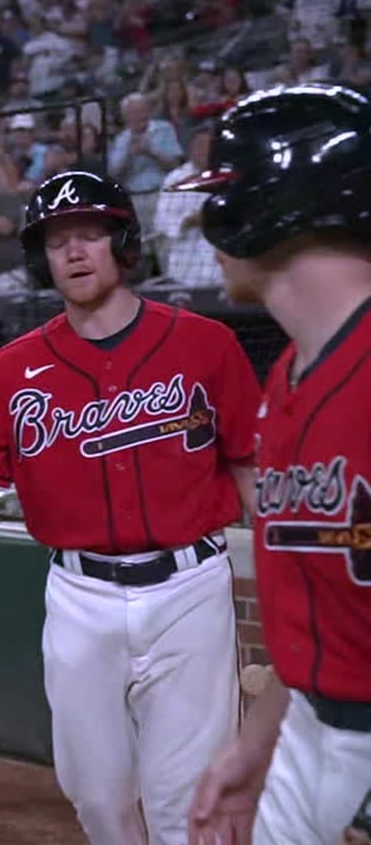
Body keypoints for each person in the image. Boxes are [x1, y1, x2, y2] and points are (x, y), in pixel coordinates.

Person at [0, 170, 261, 845]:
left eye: (90, 233)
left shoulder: (205, 344)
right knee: (96, 798)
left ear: (123, 244)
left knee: (187, 803)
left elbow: (252, 469)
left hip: (189, 589)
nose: (75, 252)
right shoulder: (12, 369)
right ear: (41, 259)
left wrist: (304, 563)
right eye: (58, 241)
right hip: (79, 595)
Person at [178, 82, 371, 845]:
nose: (206, 221)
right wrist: (254, 742)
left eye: (221, 195)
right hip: (309, 733)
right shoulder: (287, 375)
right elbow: (320, 619)